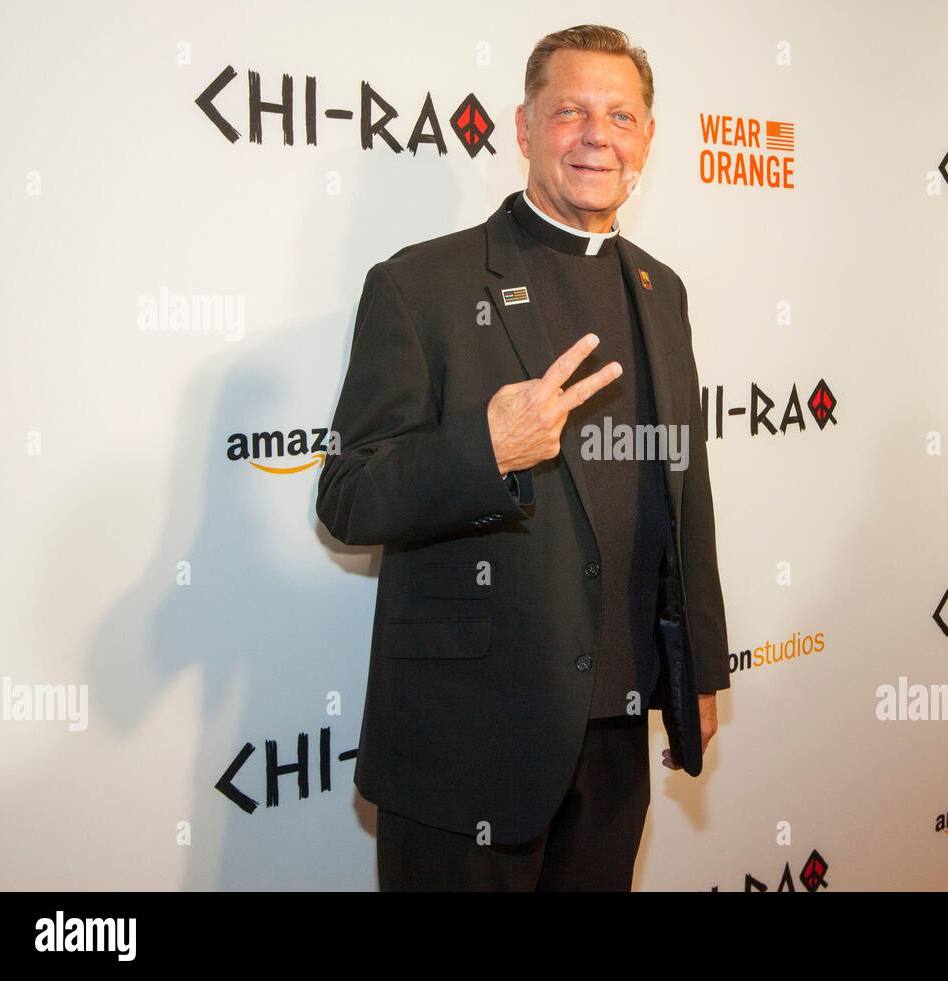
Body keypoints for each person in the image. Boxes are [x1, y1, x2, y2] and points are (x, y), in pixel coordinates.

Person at [317, 23, 730, 891]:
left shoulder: (663, 289)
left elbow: (684, 495)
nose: (596, 135)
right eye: (570, 110)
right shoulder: (421, 284)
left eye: (620, 115)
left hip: (616, 729)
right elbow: (348, 496)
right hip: (468, 736)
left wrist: (700, 659)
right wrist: (486, 449)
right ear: (524, 125)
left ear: (647, 137)